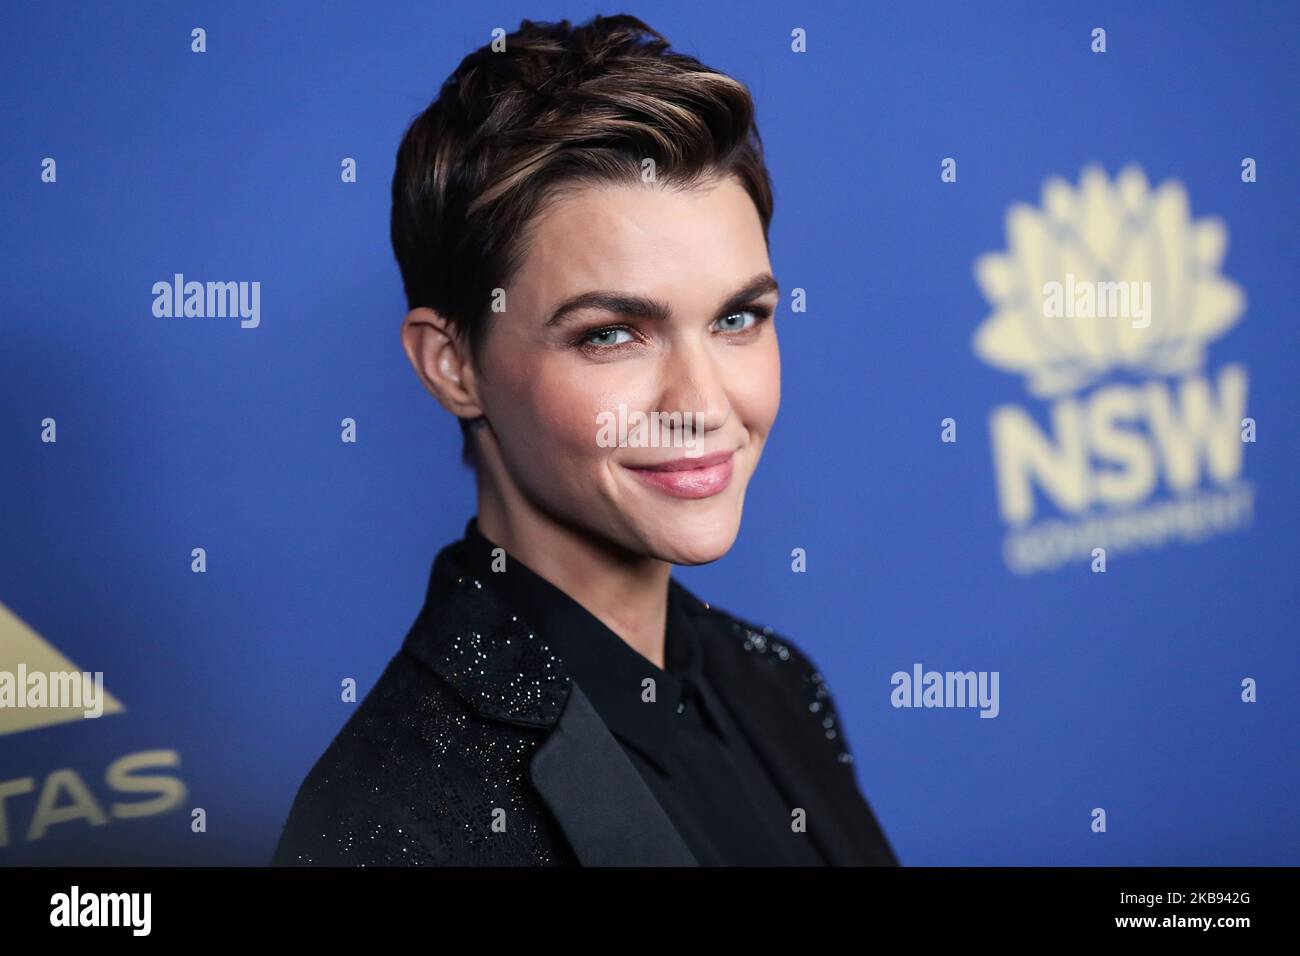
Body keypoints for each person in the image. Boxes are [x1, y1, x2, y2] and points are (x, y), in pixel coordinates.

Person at [271, 13, 897, 867]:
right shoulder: (394, 818)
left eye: (737, 319)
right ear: (454, 365)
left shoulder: (778, 682)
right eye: (611, 334)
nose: (703, 403)